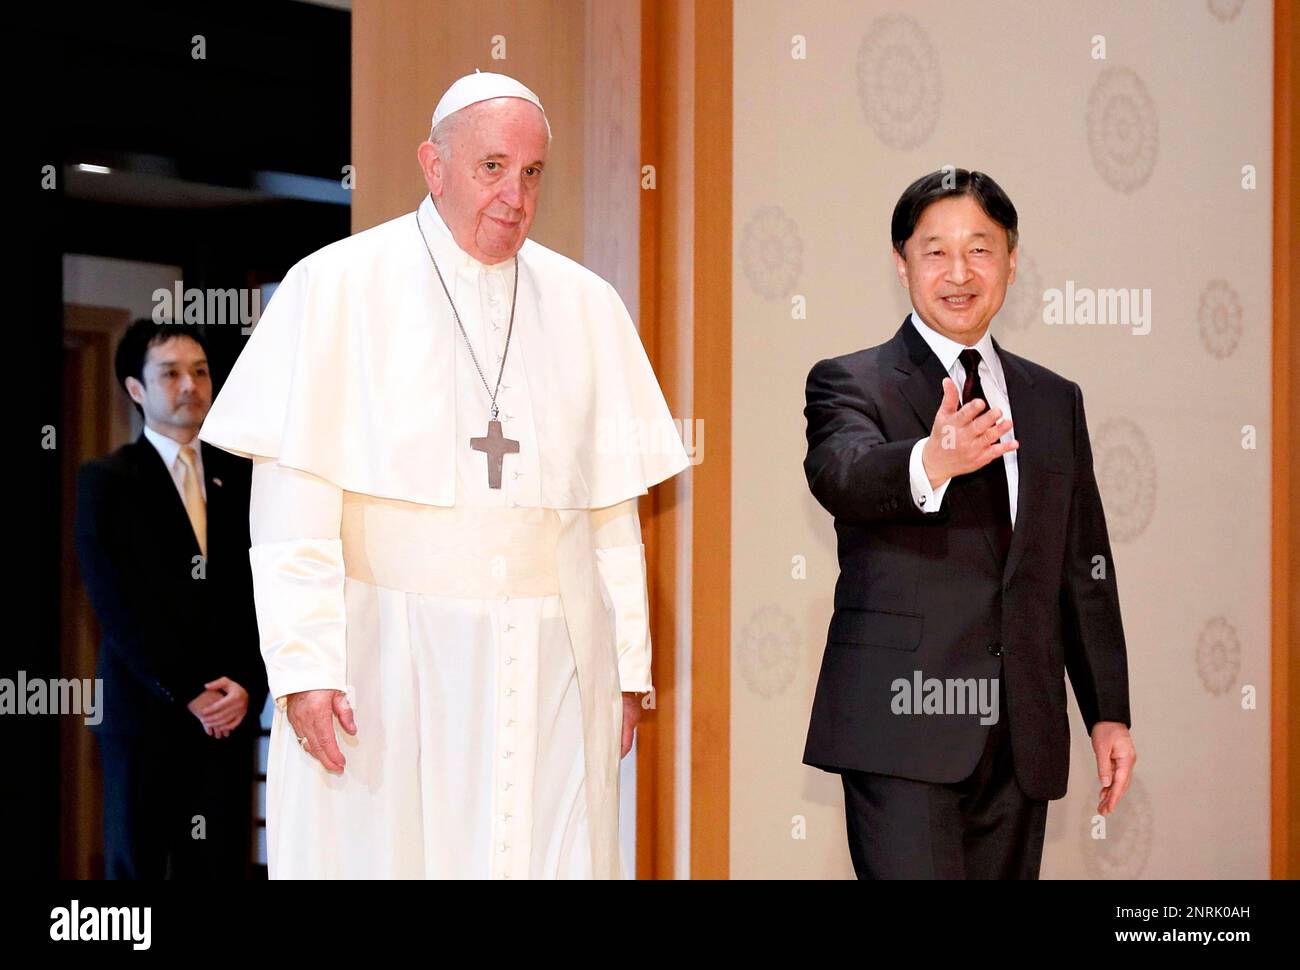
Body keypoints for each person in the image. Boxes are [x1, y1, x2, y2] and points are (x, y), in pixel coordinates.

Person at [198, 71, 688, 879]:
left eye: (531, 173)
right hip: (388, 657)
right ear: (433, 163)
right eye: (491, 166)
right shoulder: (337, 285)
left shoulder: (587, 304)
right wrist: (306, 668)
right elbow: (294, 514)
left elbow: (610, 515)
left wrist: (628, 670)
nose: (514, 196)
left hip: (554, 663)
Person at [801, 169, 1136, 879]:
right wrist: (932, 458)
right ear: (902, 265)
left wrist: (1107, 711)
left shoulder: (1052, 399)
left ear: (1012, 262)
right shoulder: (850, 382)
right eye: (935, 252)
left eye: (980, 250)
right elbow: (843, 475)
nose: (959, 273)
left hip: (1022, 735)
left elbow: (1084, 569)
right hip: (900, 729)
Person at [74, 320, 265, 879]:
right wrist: (187, 692)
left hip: (230, 713)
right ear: (136, 389)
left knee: (219, 863)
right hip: (144, 714)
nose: (190, 385)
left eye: (200, 372)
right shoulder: (105, 480)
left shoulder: (244, 476)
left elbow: (262, 588)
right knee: (137, 867)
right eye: (171, 373)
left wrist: (248, 681)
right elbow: (115, 606)